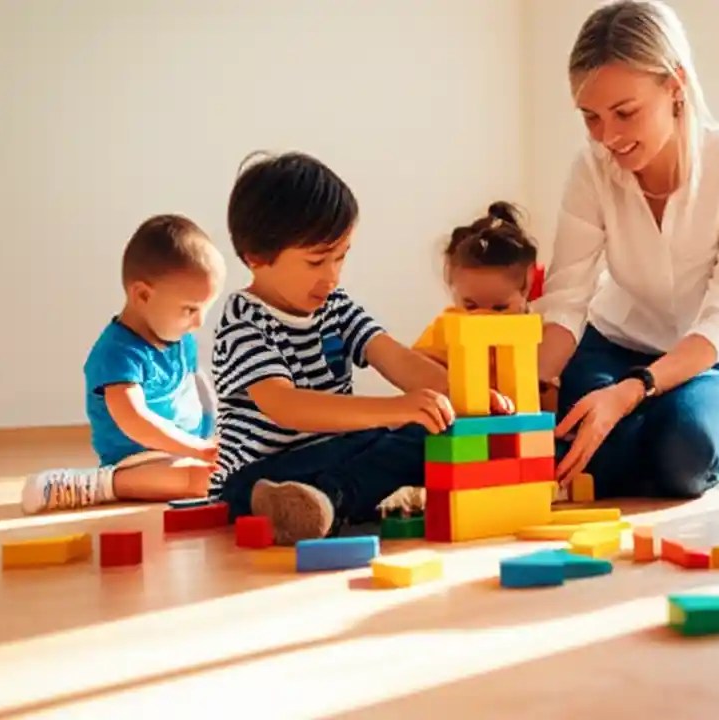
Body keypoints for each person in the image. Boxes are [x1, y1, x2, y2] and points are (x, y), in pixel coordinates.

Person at [534, 0, 719, 500]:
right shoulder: (590, 169)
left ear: (675, 86)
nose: (609, 138)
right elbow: (565, 301)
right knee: (583, 460)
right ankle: (675, 433)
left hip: (707, 358)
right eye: (591, 118)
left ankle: (712, 431)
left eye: (625, 113)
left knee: (683, 455)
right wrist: (521, 389)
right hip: (611, 345)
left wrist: (630, 393)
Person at [210, 151, 506, 544]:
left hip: (336, 457)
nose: (331, 276)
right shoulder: (243, 320)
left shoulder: (336, 305)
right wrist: (392, 409)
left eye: (341, 257)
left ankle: (328, 503)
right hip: (260, 473)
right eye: (316, 262)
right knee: (384, 435)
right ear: (257, 258)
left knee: (426, 432)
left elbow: (393, 356)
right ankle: (318, 502)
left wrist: (465, 396)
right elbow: (285, 406)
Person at [21, 214, 225, 513]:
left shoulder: (181, 339)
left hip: (189, 447)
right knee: (201, 481)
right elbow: (134, 420)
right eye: (190, 309)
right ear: (142, 294)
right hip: (138, 457)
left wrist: (217, 431)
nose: (199, 321)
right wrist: (195, 449)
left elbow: (199, 387)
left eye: (205, 308)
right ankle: (97, 485)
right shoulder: (117, 353)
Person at [413, 200, 552, 411]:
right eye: (471, 306)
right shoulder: (448, 326)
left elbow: (552, 393)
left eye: (499, 308)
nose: (484, 317)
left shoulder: (543, 331)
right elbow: (414, 373)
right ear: (452, 281)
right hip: (464, 424)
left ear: (527, 284)